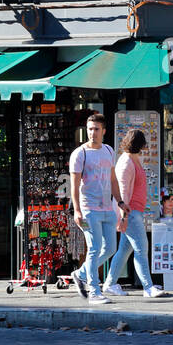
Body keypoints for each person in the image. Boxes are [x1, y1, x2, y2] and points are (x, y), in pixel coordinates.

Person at [103, 129, 167, 298]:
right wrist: (123, 217)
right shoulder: (126, 162)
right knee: (141, 248)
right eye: (143, 143)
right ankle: (148, 287)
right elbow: (123, 193)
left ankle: (110, 284)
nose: (145, 147)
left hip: (133, 211)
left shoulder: (132, 159)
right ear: (139, 144)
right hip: (130, 212)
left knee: (124, 250)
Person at [69, 112, 124, 304]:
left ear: (104, 131)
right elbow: (74, 186)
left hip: (107, 208)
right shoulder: (80, 153)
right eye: (90, 129)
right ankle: (94, 291)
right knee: (94, 249)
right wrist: (77, 210)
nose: (92, 133)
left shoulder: (108, 150)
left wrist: (120, 201)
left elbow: (113, 179)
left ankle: (81, 273)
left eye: (96, 129)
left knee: (110, 248)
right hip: (88, 208)